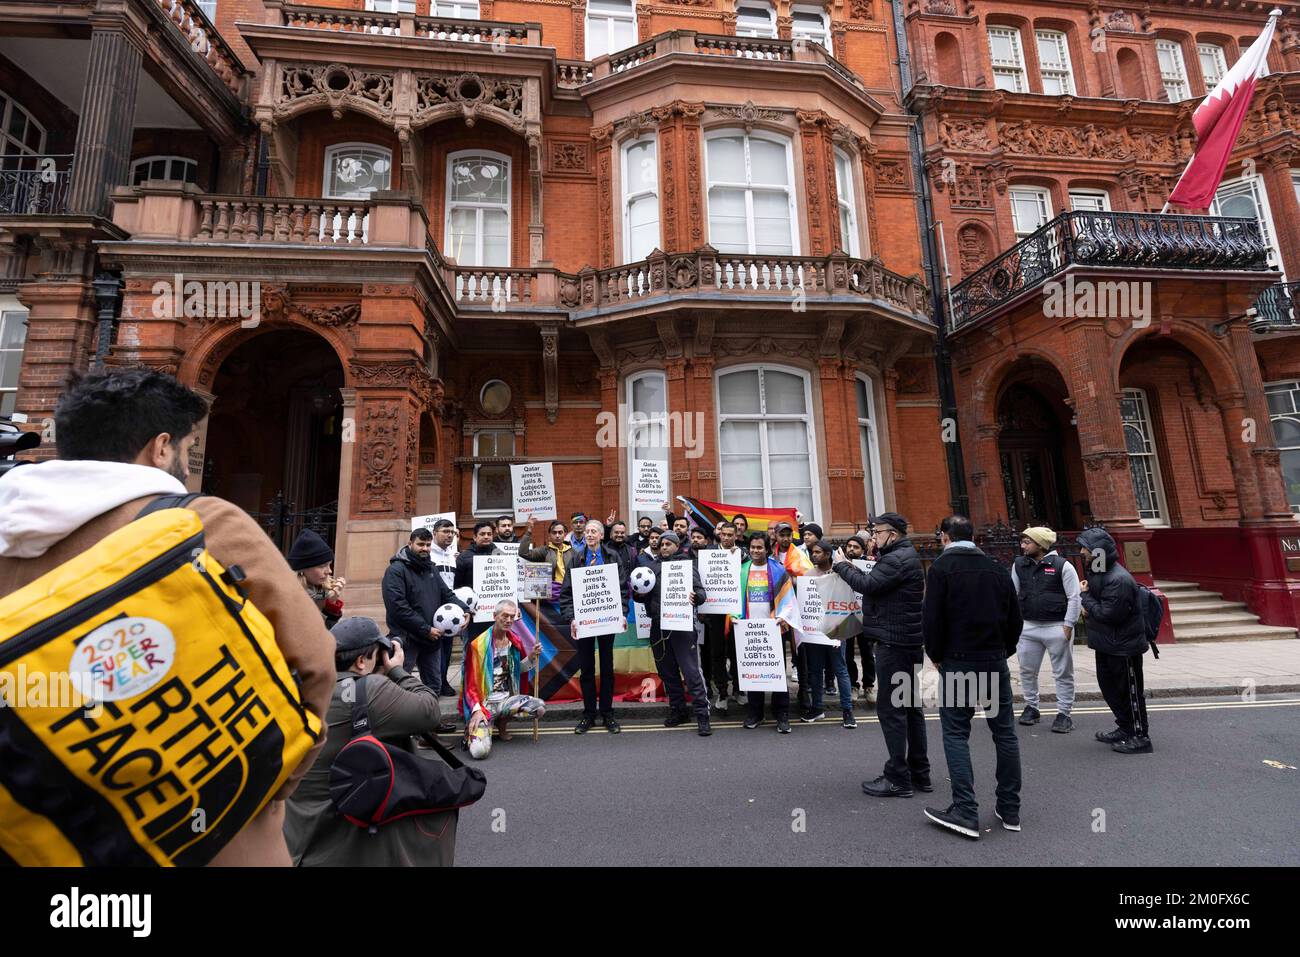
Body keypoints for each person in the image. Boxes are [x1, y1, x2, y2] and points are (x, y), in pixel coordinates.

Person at [0, 367, 334, 866]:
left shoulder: (8, 539)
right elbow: (315, 662)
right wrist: (273, 783)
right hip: (217, 826)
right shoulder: (201, 522)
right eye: (183, 447)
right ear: (160, 448)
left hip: (66, 837)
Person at [284, 617, 446, 866]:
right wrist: (397, 670)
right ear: (361, 661)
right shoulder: (370, 690)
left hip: (299, 844)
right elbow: (429, 710)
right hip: (351, 848)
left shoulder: (297, 690)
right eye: (379, 655)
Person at [922, 515, 1023, 839]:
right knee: (1004, 734)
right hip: (994, 660)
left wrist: (936, 656)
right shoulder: (997, 568)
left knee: (955, 733)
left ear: (944, 537)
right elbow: (1015, 619)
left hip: (958, 661)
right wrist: (1003, 651)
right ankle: (1010, 810)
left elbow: (933, 619)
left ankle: (965, 810)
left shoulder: (941, 569)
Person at [830, 512, 930, 798]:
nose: (873, 537)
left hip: (894, 645)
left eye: (877, 532)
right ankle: (919, 773)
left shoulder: (896, 559)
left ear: (892, 535)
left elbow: (868, 586)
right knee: (910, 709)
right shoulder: (901, 556)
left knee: (893, 712)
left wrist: (842, 565)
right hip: (906, 644)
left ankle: (898, 778)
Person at [1077, 527, 1153, 754]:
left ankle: (1140, 736)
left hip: (1124, 647)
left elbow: (1107, 614)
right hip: (1107, 644)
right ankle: (1125, 728)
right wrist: (1089, 598)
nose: (1082, 552)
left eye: (1086, 548)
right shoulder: (1100, 571)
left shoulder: (1118, 580)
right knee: (1111, 689)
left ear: (1098, 551)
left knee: (1129, 692)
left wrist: (1084, 598)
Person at [382, 526, 469, 727]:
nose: (425, 548)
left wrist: (464, 609)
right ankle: (398, 727)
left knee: (433, 685)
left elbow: (446, 594)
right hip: (407, 638)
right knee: (401, 685)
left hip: (432, 638)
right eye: (421, 544)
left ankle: (430, 726)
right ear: (410, 543)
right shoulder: (396, 570)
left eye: (428, 545)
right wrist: (425, 629)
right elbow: (398, 607)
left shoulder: (430, 568)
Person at [559, 518, 631, 734]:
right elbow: (566, 594)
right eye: (587, 531)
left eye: (594, 531)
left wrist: (623, 614)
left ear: (601, 536)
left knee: (607, 669)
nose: (589, 534)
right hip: (584, 623)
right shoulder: (576, 558)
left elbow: (622, 590)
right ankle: (589, 714)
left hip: (607, 621)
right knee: (587, 669)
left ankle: (608, 713)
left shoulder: (612, 556)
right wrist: (572, 618)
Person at [1012, 526, 1080, 733]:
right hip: (1028, 626)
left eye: (1027, 542)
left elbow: (1074, 597)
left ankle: (1064, 713)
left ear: (1040, 544)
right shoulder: (1018, 564)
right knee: (1027, 671)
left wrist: (1068, 625)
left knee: (1062, 673)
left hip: (1057, 626)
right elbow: (1012, 594)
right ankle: (1032, 707)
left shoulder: (1063, 566)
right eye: (1022, 542)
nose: (1023, 546)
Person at [643, 531, 711, 735]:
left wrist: (695, 597)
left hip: (681, 626)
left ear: (676, 546)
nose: (663, 547)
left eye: (667, 544)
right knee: (667, 672)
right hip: (658, 626)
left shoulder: (688, 566)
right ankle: (678, 710)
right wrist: (639, 594)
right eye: (661, 544)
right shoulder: (652, 568)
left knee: (691, 672)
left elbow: (701, 594)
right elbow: (641, 596)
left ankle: (702, 715)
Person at [461, 599, 545, 758]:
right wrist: (477, 710)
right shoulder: (477, 645)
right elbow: (469, 685)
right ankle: (483, 725)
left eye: (512, 617)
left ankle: (501, 723)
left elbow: (517, 671)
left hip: (506, 701)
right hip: (485, 705)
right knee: (479, 752)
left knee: (539, 708)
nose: (508, 620)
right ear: (495, 616)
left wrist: (532, 657)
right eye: (505, 616)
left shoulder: (514, 641)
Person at [735, 532, 794, 733]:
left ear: (767, 549)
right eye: (752, 547)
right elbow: (734, 598)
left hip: (773, 629)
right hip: (749, 630)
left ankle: (782, 714)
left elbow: (788, 598)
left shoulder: (778, 570)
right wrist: (734, 616)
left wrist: (781, 618)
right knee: (753, 673)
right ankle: (755, 713)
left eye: (759, 547)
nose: (755, 551)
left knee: (777, 673)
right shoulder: (743, 570)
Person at [801, 539, 856, 729]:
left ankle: (847, 711)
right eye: (812, 552)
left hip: (836, 630)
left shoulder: (840, 573)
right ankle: (817, 708)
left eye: (817, 552)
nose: (814, 555)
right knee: (815, 671)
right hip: (814, 632)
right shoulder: (808, 575)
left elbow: (847, 602)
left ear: (827, 554)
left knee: (840, 670)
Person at [701, 520, 744, 712]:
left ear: (736, 536)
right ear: (719, 535)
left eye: (730, 535)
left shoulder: (743, 554)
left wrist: (742, 555)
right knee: (716, 654)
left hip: (737, 612)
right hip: (715, 614)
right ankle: (722, 692)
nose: (726, 538)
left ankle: (739, 689)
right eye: (724, 535)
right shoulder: (708, 553)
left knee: (737, 653)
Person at [842, 532, 877, 705]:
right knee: (847, 654)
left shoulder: (869, 564)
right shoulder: (839, 564)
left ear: (862, 550)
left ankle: (869, 685)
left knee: (867, 653)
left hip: (865, 615)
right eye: (849, 546)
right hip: (847, 615)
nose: (851, 549)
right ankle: (853, 685)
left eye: (855, 547)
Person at [288, 528, 345, 628]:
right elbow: (309, 598)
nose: (329, 571)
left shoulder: (321, 589)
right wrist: (327, 597)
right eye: (322, 566)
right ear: (303, 568)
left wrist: (331, 602)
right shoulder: (289, 593)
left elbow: (329, 628)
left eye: (329, 565)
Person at [519, 518, 573, 599]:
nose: (557, 535)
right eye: (554, 533)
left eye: (560, 533)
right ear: (549, 535)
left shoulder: (572, 551)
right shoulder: (544, 551)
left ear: (565, 534)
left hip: (569, 592)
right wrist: (529, 530)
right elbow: (523, 553)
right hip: (552, 593)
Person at [430, 518, 458, 591]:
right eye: (446, 531)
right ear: (434, 533)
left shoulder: (453, 555)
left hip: (451, 600)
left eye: (453, 532)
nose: (450, 535)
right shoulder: (427, 553)